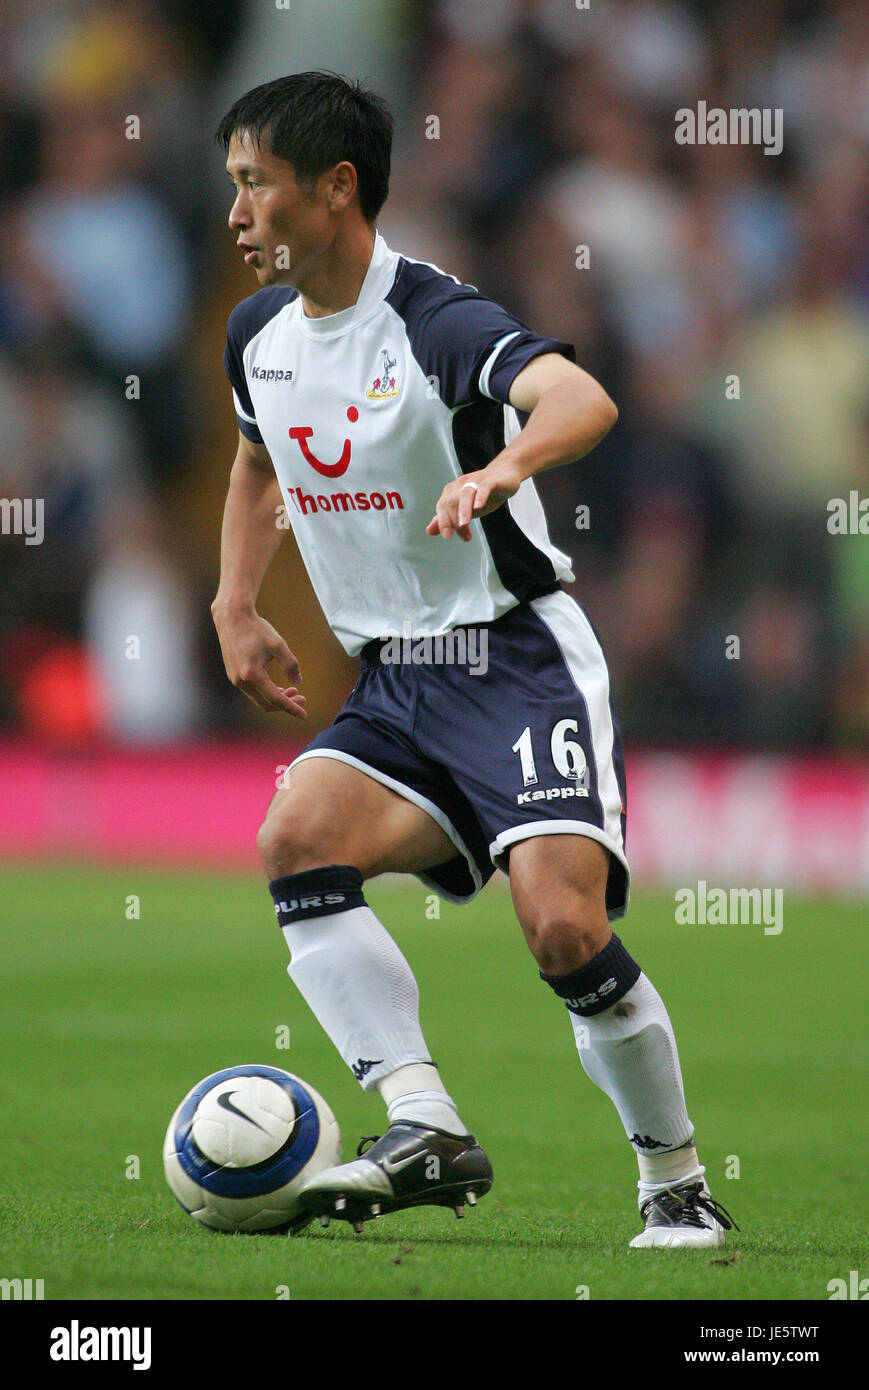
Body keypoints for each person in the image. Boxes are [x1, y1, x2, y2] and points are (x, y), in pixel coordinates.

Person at [211, 71, 736, 1248]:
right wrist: (235, 601)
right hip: (395, 679)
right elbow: (255, 466)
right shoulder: (258, 334)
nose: (235, 214)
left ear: (334, 188)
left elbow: (580, 399)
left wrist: (502, 466)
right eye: (230, 186)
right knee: (295, 836)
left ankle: (675, 1184)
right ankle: (422, 1120)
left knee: (561, 930)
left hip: (513, 656)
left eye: (252, 185)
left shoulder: (437, 321)